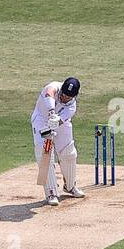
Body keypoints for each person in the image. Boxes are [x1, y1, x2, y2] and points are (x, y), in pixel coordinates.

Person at [32, 76, 86, 206]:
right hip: (41, 120)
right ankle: (51, 192)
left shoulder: (71, 106)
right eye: (63, 94)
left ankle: (70, 186)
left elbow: (63, 120)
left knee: (69, 152)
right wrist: (51, 112)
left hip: (60, 122)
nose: (64, 98)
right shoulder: (53, 87)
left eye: (68, 97)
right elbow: (49, 93)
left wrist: (56, 121)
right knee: (43, 153)